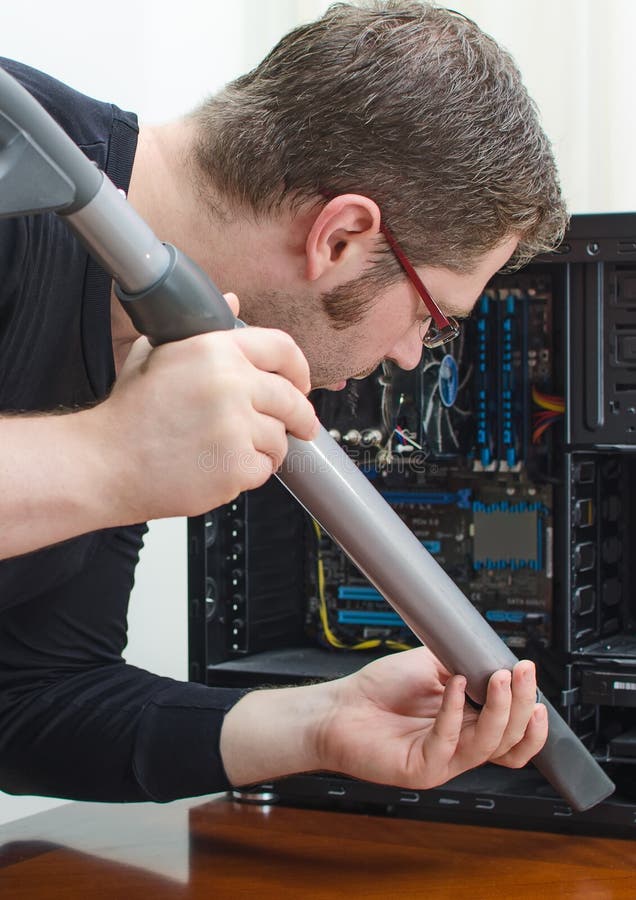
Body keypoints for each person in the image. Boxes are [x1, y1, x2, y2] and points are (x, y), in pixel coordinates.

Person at [0, 0, 567, 803]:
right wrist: (108, 462)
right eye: (432, 319)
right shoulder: (11, 150)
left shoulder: (162, 350)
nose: (411, 355)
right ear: (340, 238)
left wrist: (321, 724)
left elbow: (31, 701)